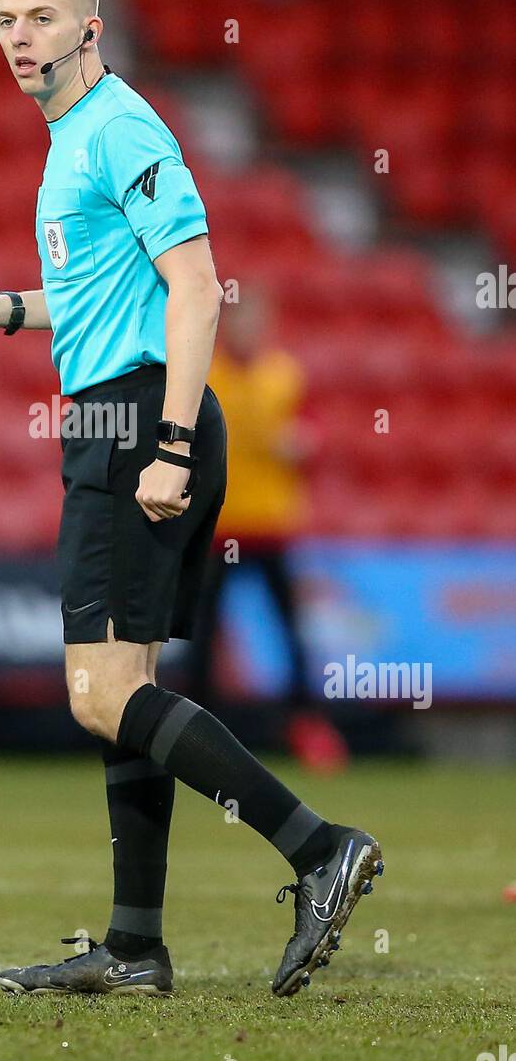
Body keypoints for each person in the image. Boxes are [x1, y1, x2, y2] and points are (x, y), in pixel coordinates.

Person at [0, 0, 382, 997]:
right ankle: (135, 945)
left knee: (94, 692)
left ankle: (317, 845)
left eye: (41, 17)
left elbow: (198, 288)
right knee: (120, 692)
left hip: (141, 419)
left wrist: (172, 444)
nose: (18, 36)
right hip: (113, 413)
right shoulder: (72, 141)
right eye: (5, 18)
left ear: (89, 29)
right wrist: (4, 309)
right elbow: (105, 291)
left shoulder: (120, 125)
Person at [186, 287, 350, 771]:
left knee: (291, 632)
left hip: (272, 524)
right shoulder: (206, 374)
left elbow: (313, 432)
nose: (247, 330)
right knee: (202, 632)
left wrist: (302, 443)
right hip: (218, 525)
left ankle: (305, 723)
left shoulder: (285, 375)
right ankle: (196, 730)